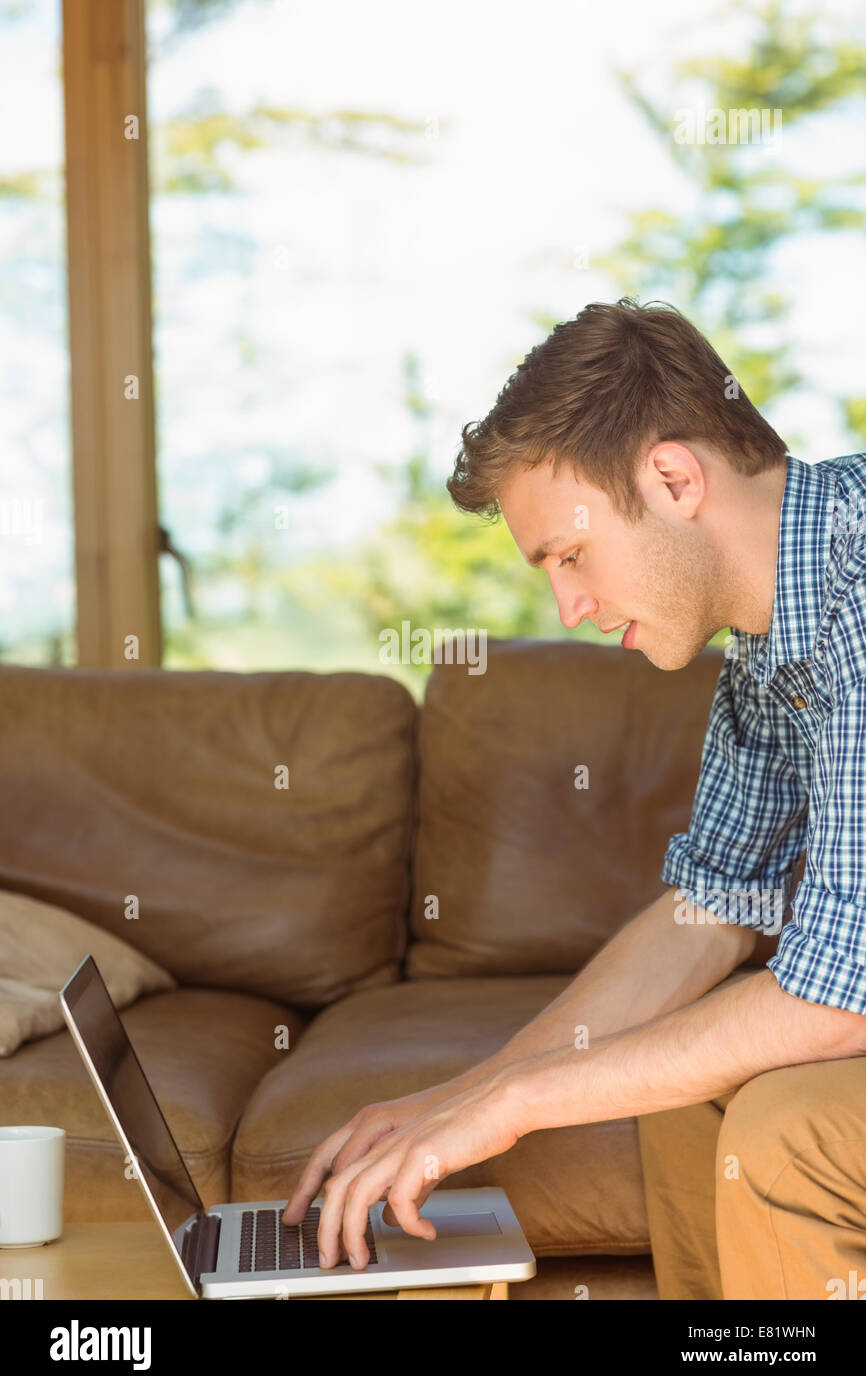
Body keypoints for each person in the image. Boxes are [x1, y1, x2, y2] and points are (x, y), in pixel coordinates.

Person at [282, 297, 866, 1299]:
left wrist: (512, 1108)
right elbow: (711, 908)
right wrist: (461, 1094)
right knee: (686, 1091)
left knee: (785, 1134)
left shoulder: (854, 597)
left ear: (673, 478)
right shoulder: (769, 640)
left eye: (567, 553)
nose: (569, 609)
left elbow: (834, 999)